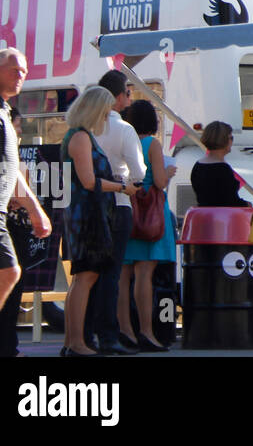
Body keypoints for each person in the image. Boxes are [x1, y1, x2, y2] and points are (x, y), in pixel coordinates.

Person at [0, 48, 51, 358]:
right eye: (15, 69)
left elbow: (10, 170)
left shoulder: (2, 110)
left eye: (24, 71)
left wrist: (34, 209)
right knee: (8, 272)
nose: (21, 75)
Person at [59, 86, 133, 357]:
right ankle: (77, 342)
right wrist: (121, 187)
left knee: (82, 278)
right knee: (85, 277)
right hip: (86, 216)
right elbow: (89, 182)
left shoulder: (81, 136)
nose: (106, 117)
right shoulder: (80, 138)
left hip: (85, 214)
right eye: (104, 112)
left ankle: (73, 341)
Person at [85, 70, 147, 356]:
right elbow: (139, 172)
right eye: (128, 92)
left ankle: (84, 335)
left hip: (89, 203)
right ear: (118, 95)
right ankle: (108, 335)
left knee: (87, 274)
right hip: (118, 202)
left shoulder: (86, 127)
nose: (130, 97)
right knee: (111, 273)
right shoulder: (123, 129)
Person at [118, 100, 177, 352]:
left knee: (122, 277)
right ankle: (146, 331)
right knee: (144, 275)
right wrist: (169, 171)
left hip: (126, 208)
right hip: (150, 214)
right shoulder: (152, 144)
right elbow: (160, 182)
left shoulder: (124, 141)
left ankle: (124, 331)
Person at [190, 121, 251, 207]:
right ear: (223, 140)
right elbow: (230, 202)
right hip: (221, 218)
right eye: (231, 138)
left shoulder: (197, 166)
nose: (232, 142)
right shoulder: (223, 169)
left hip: (203, 216)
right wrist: (248, 205)